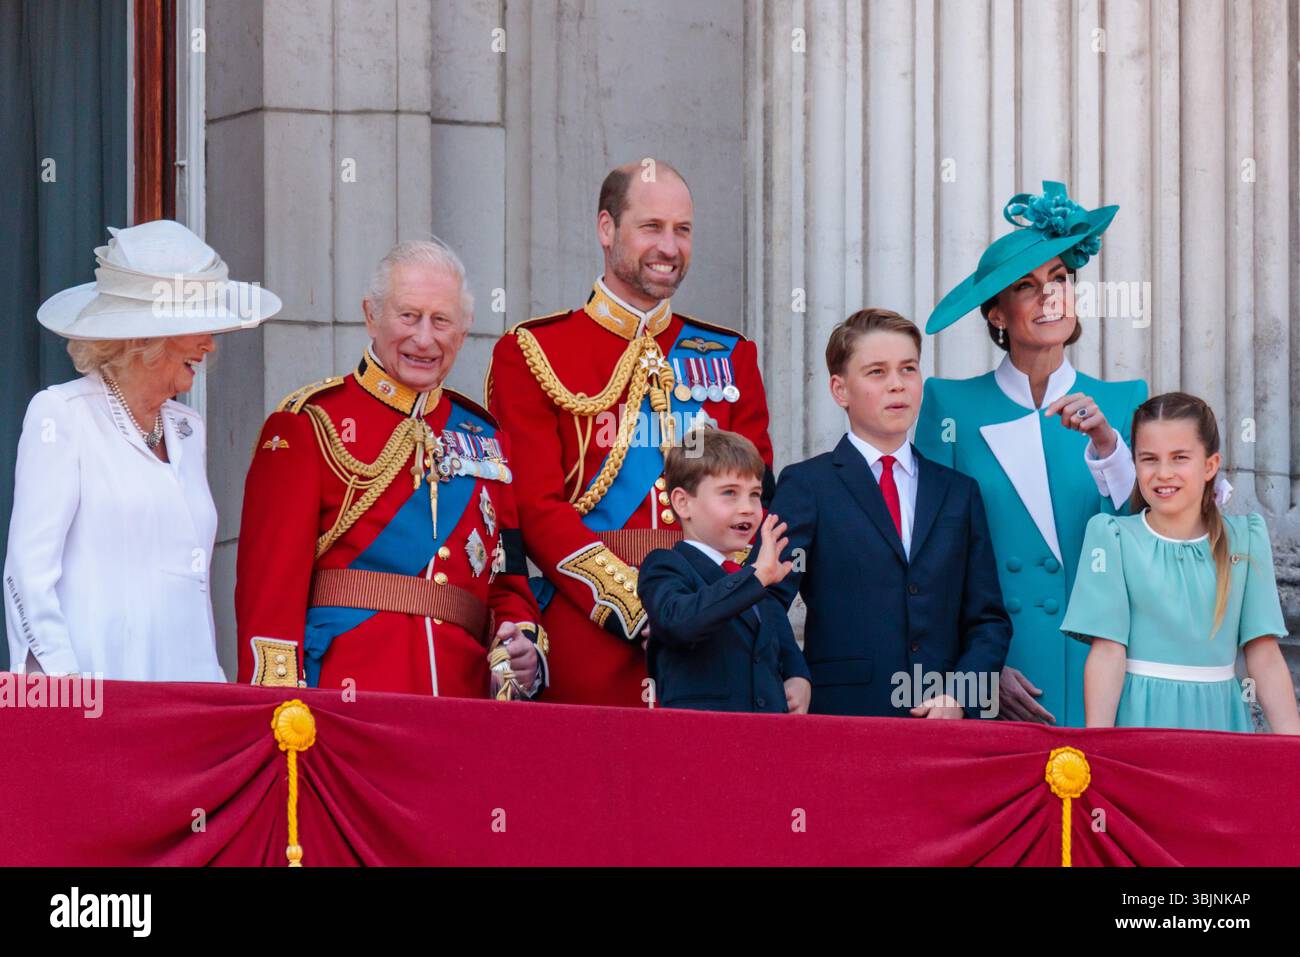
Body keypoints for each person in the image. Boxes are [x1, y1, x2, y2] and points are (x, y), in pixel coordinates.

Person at [486, 160, 775, 706]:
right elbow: (535, 507)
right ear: (606, 229)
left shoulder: (731, 357)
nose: (669, 246)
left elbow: (756, 499)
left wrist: (706, 606)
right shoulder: (532, 351)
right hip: (588, 634)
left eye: (682, 230)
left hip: (712, 633)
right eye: (651, 227)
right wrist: (636, 606)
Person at [234, 238, 545, 699]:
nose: (424, 338)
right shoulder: (311, 424)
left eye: (441, 320)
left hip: (461, 708)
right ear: (370, 315)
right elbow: (270, 598)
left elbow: (507, 584)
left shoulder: (485, 439)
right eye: (408, 316)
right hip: (347, 702)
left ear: (464, 330)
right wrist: (280, 714)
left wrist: (519, 652)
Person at [4, 219, 280, 680]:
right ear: (145, 337)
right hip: (100, 694)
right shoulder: (62, 415)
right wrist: (65, 690)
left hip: (188, 696)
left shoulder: (188, 429)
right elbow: (26, 579)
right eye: (199, 327)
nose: (210, 344)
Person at [916, 180, 1148, 727]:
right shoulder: (948, 403)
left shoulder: (1126, 401)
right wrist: (979, 671)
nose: (1050, 296)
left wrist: (1109, 445)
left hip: (1105, 672)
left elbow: (1147, 536)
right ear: (997, 314)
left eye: (1060, 279)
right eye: (1027, 286)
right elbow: (934, 558)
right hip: (1002, 674)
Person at [768, 308, 1011, 718]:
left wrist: (962, 699)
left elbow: (988, 620)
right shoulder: (808, 485)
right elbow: (768, 599)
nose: (897, 385)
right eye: (877, 372)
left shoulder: (958, 492)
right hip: (843, 716)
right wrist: (793, 673)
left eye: (908, 369)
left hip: (944, 724)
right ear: (839, 389)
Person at [1062, 392, 1300, 733]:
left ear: (1209, 466)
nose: (1163, 473)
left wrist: (1292, 751)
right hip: (1139, 722)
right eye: (1149, 459)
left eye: (1179, 458)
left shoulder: (1245, 538)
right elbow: (1108, 653)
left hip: (1220, 724)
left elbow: (1263, 654)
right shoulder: (1112, 536)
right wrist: (1097, 746)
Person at [637, 430, 811, 713]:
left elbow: (779, 639)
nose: (748, 508)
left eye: (755, 495)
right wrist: (755, 577)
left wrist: (798, 676)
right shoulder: (666, 565)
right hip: (701, 744)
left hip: (764, 743)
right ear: (683, 502)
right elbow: (679, 622)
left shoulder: (753, 579)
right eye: (729, 493)